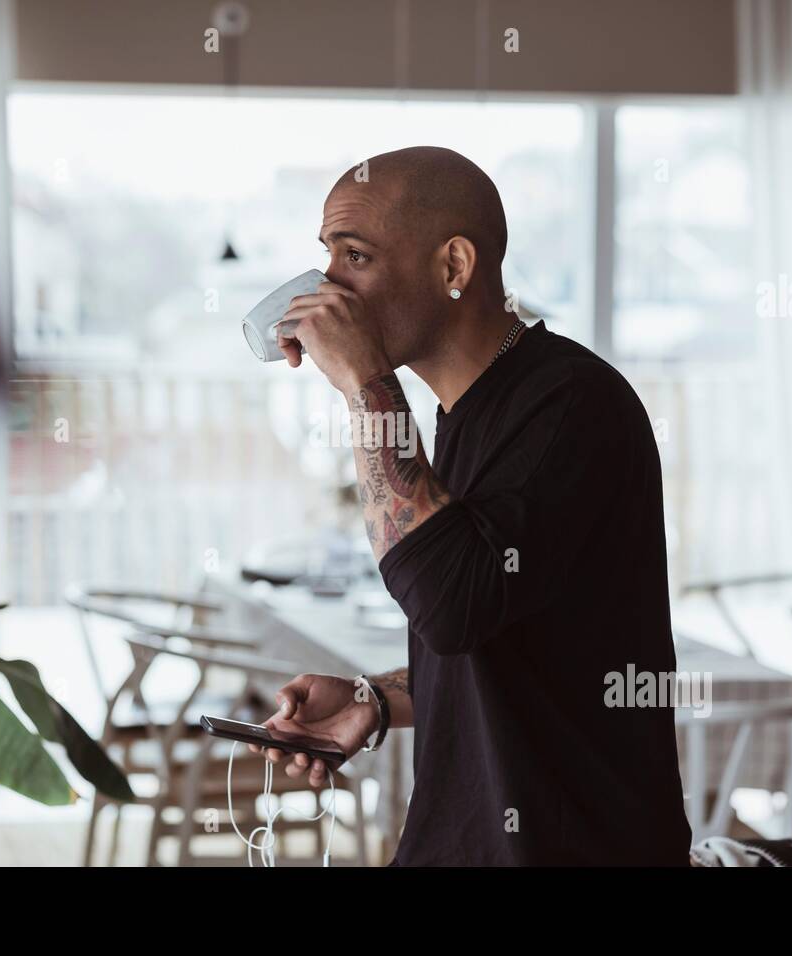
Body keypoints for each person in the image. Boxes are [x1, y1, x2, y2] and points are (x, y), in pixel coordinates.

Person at [248, 145, 691, 865]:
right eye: (327, 258)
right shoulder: (461, 414)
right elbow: (494, 633)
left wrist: (366, 383)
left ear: (454, 268)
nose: (327, 288)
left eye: (354, 256)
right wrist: (375, 698)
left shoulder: (573, 405)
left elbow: (449, 603)